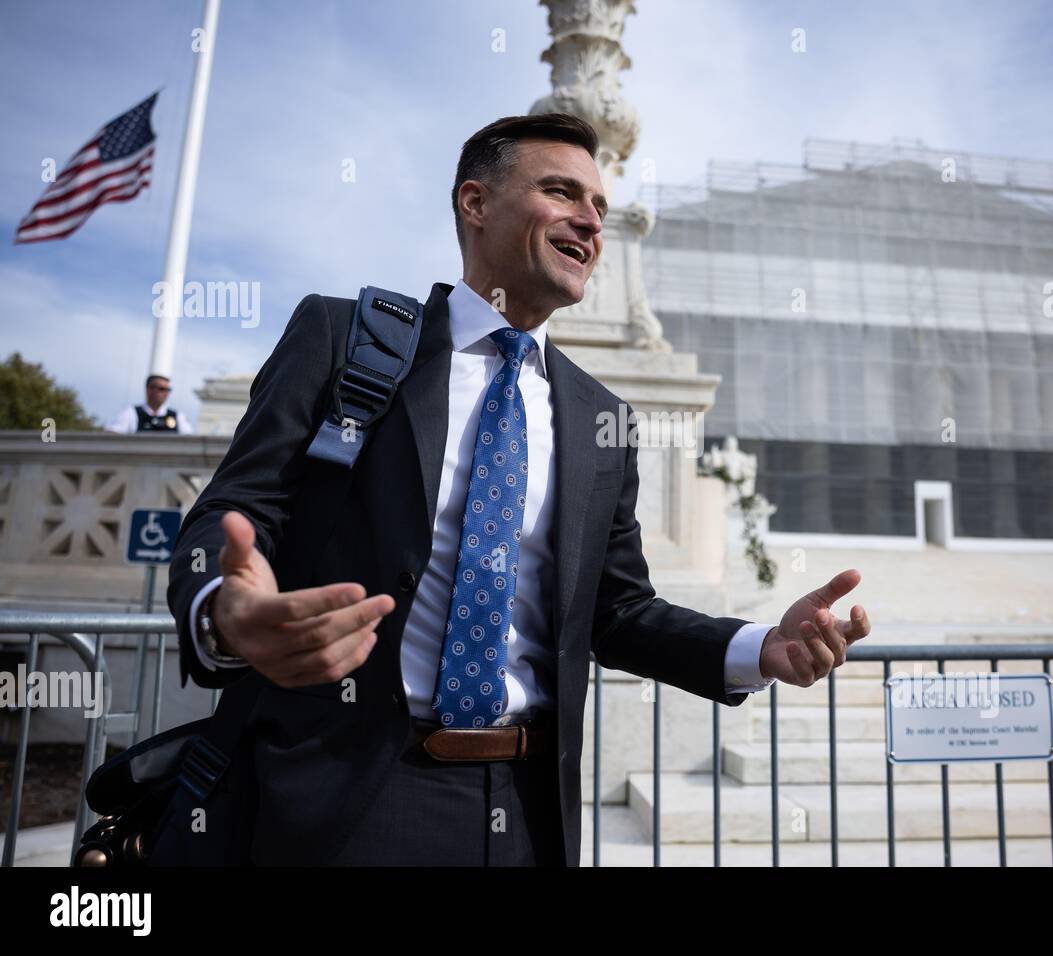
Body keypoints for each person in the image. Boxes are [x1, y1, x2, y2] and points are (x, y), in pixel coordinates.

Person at [165, 113, 871, 866]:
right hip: (342, 795)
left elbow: (620, 610)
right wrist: (224, 610)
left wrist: (762, 647)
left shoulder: (603, 418)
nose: (590, 222)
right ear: (475, 203)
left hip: (527, 810)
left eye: (598, 207)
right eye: (561, 193)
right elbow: (232, 514)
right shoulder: (343, 339)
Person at [106, 375, 194, 434]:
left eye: (168, 390)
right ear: (149, 389)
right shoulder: (131, 413)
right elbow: (112, 435)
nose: (166, 393)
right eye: (162, 389)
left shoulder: (178, 417)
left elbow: (188, 440)